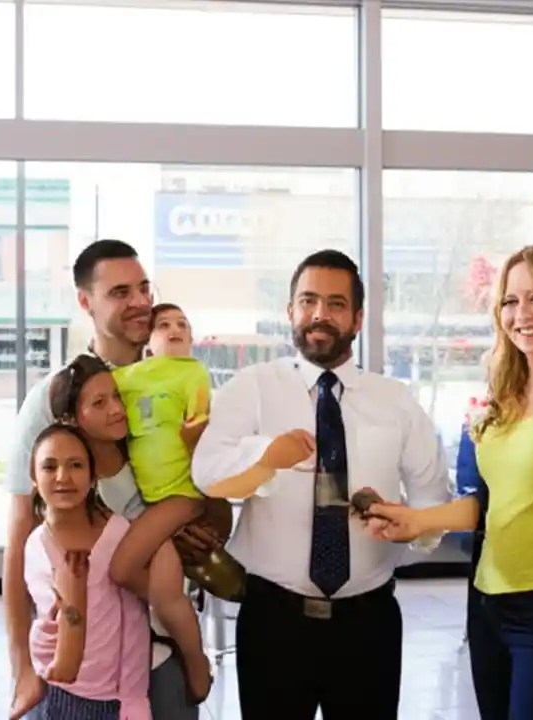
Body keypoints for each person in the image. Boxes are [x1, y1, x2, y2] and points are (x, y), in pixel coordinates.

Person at [190, 249, 453, 720]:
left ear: (357, 318)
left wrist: (413, 527)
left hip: (367, 625)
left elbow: (433, 501)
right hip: (273, 620)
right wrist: (267, 457)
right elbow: (209, 476)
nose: (319, 315)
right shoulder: (252, 387)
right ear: (289, 311)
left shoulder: (396, 401)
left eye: (335, 304)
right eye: (307, 301)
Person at [367, 243, 533, 720]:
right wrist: (415, 520)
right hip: (488, 606)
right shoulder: (498, 396)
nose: (521, 314)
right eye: (509, 301)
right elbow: (488, 503)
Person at [4, 239, 210, 720]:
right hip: (78, 653)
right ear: (85, 302)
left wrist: (203, 529)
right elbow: (18, 537)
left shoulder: (180, 383)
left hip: (163, 646)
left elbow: (209, 498)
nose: (140, 301)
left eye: (144, 288)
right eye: (120, 292)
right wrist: (21, 667)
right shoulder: (52, 400)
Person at [110, 302, 247, 605]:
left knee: (122, 570)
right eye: (164, 325)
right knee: (166, 573)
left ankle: (173, 604)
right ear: (148, 342)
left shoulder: (193, 372)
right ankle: (176, 612)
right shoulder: (128, 376)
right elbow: (96, 390)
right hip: (151, 500)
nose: (175, 329)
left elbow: (199, 425)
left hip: (182, 495)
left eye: (182, 325)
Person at [23, 422, 150, 719]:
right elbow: (55, 654)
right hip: (62, 697)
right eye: (49, 467)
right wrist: (71, 602)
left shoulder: (119, 532)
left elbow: (139, 612)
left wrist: (134, 697)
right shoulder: (37, 547)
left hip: (119, 698)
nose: (63, 477)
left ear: (93, 475)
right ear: (34, 477)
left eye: (76, 465)